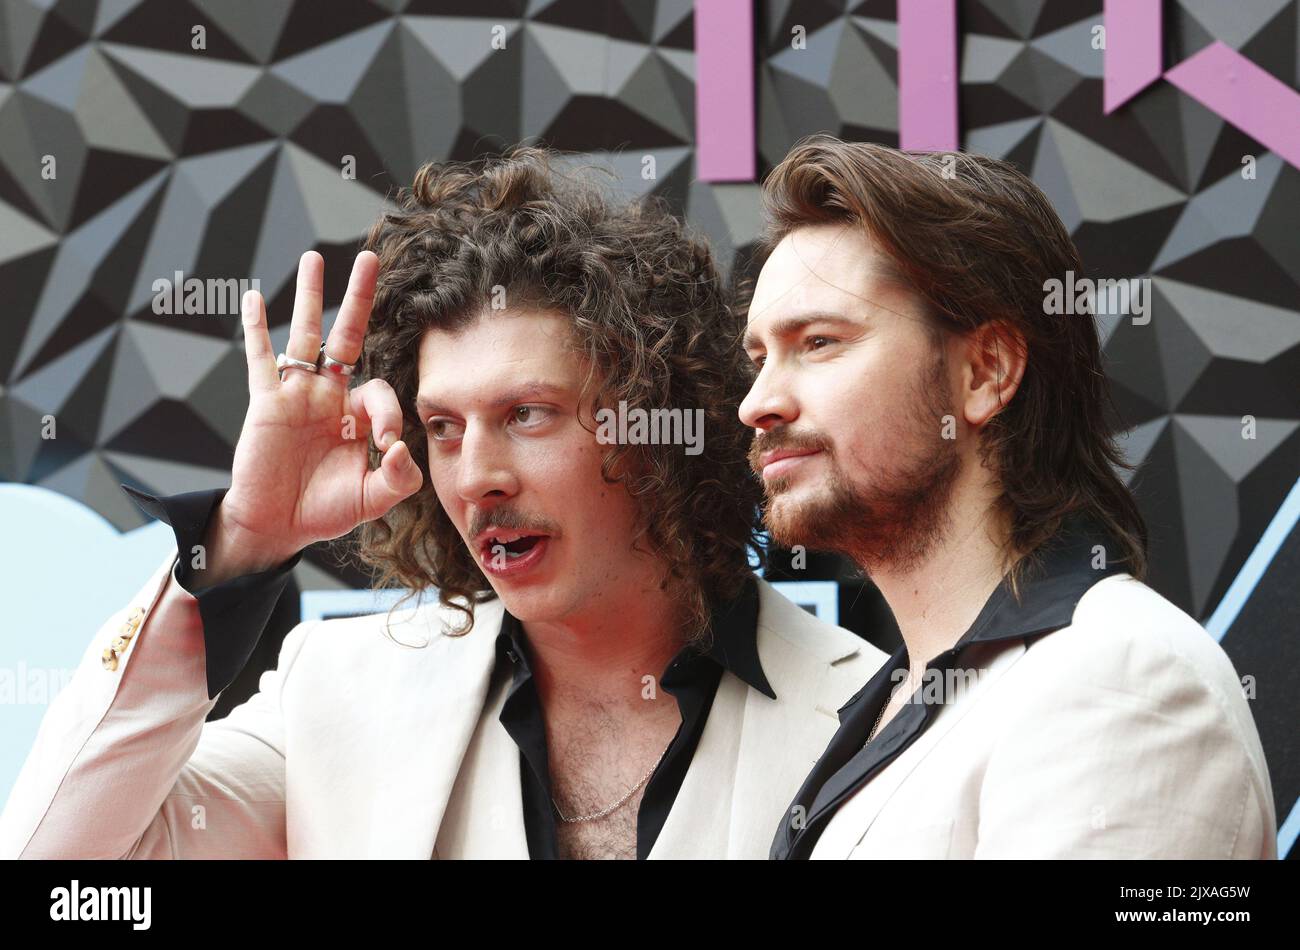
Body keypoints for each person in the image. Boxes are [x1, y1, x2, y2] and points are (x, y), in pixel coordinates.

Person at [0, 147, 884, 860]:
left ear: (655, 421)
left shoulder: (879, 714)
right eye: (444, 427)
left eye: (526, 415)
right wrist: (245, 537)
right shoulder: (339, 695)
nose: (477, 477)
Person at [737, 135, 1277, 859]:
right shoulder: (890, 699)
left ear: (986, 373)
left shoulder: (1123, 682)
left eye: (820, 342)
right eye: (759, 357)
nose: (759, 402)